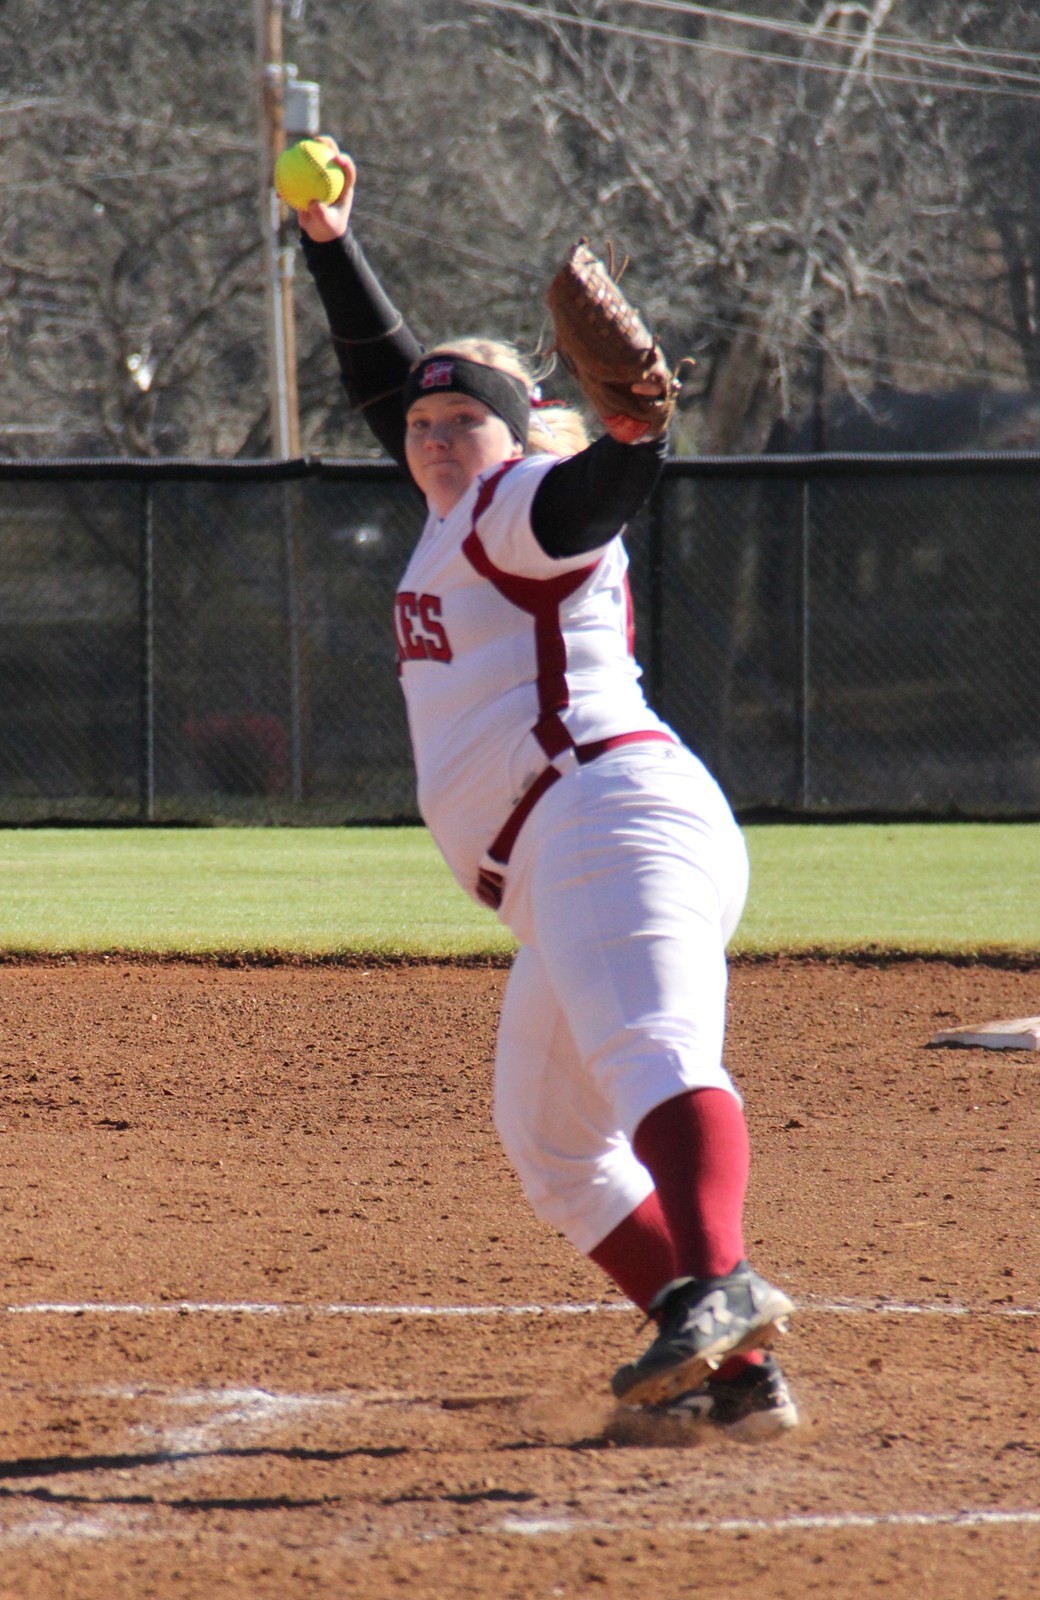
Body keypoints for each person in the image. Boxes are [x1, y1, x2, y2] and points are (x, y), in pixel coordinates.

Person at [296, 143, 798, 1441]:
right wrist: (329, 242)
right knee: (557, 1146)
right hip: (570, 853)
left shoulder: (516, 501)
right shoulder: (450, 508)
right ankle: (738, 1379)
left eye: (460, 422)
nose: (433, 436)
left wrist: (636, 433)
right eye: (421, 426)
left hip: (602, 822)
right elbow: (390, 377)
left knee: (655, 1057)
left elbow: (591, 497)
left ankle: (724, 1285)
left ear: (515, 432)